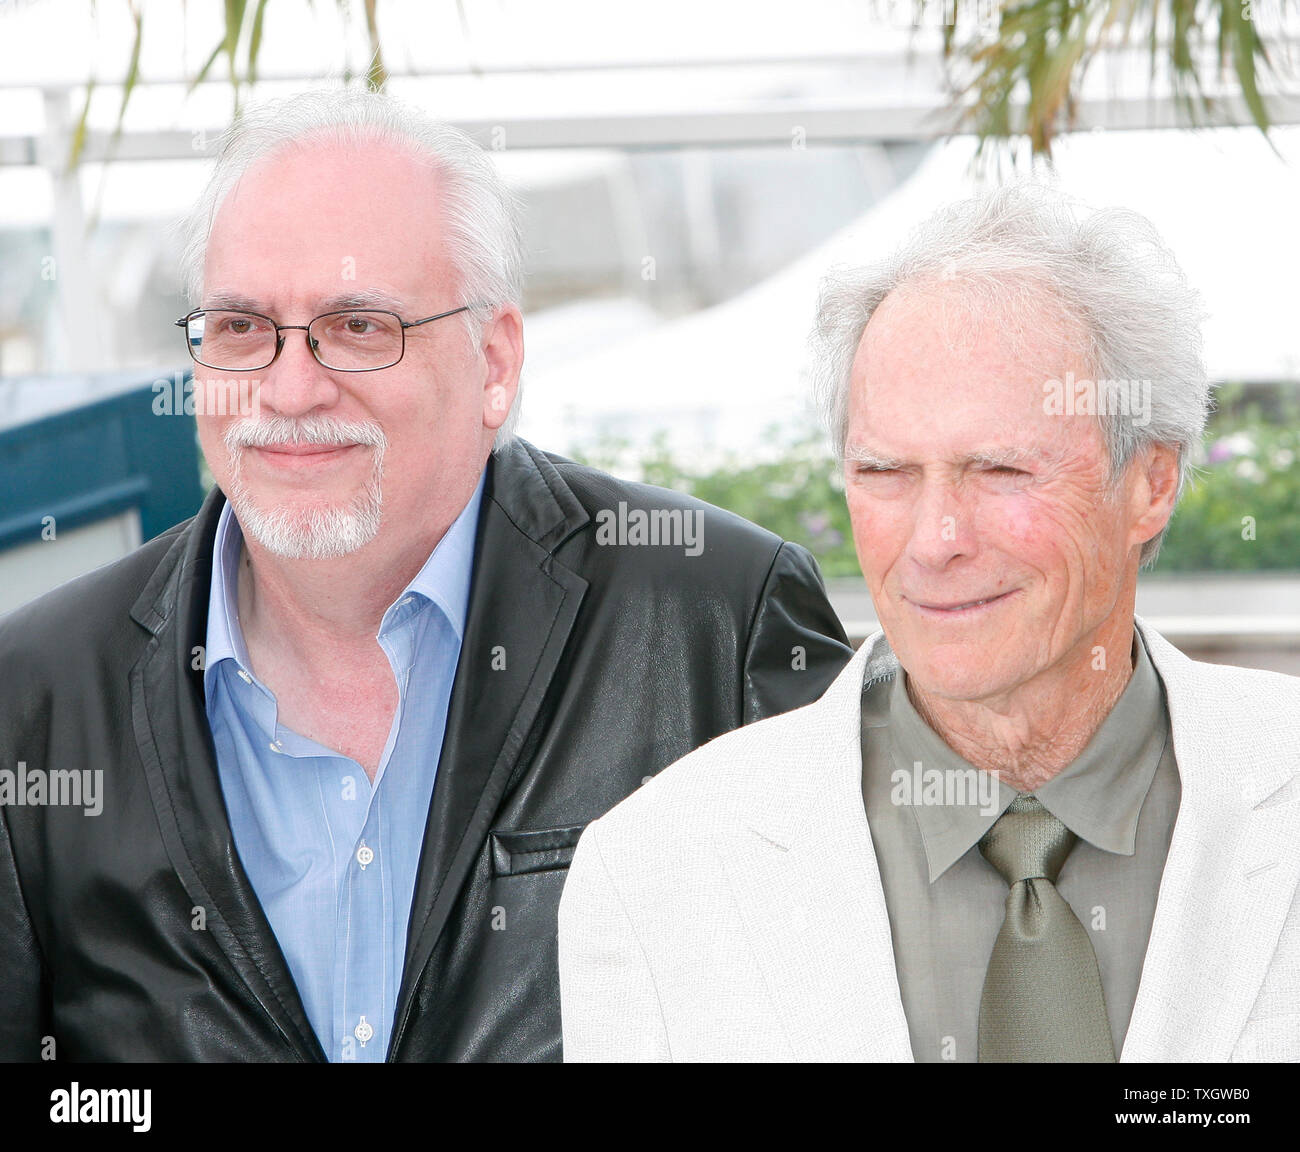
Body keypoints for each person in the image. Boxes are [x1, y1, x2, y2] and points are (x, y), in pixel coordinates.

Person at [0, 89, 852, 1062]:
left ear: (493, 362)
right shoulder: (38, 696)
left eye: (359, 327)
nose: (288, 389)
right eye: (241, 328)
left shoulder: (716, 625)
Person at [558, 183, 1300, 1062]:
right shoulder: (657, 871)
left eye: (999, 469)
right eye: (884, 472)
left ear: (1152, 483)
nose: (935, 541)